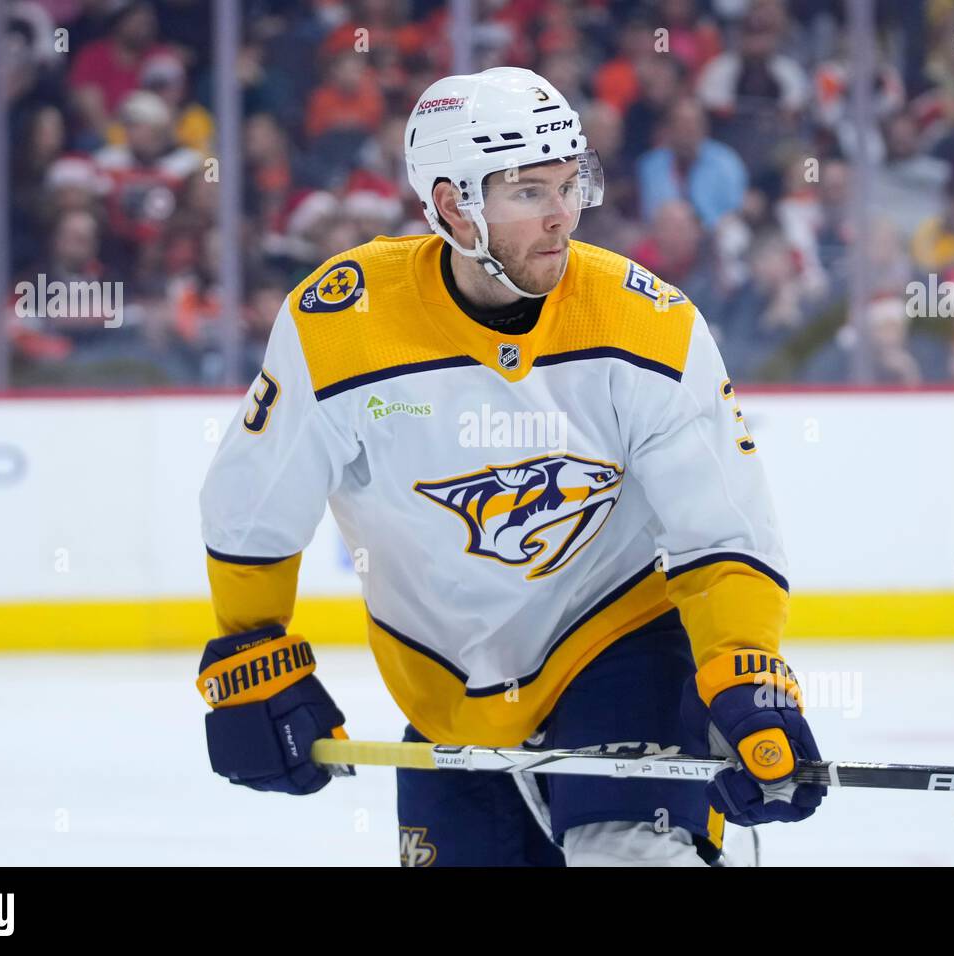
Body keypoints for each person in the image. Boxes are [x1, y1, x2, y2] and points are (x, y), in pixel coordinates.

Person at [195, 67, 825, 867]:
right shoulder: (342, 324)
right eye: (530, 192)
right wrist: (250, 650)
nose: (564, 215)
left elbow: (721, 527)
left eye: (570, 183)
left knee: (628, 857)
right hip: (442, 687)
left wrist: (744, 670)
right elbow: (256, 504)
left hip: (618, 643)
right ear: (454, 205)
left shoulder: (647, 324)